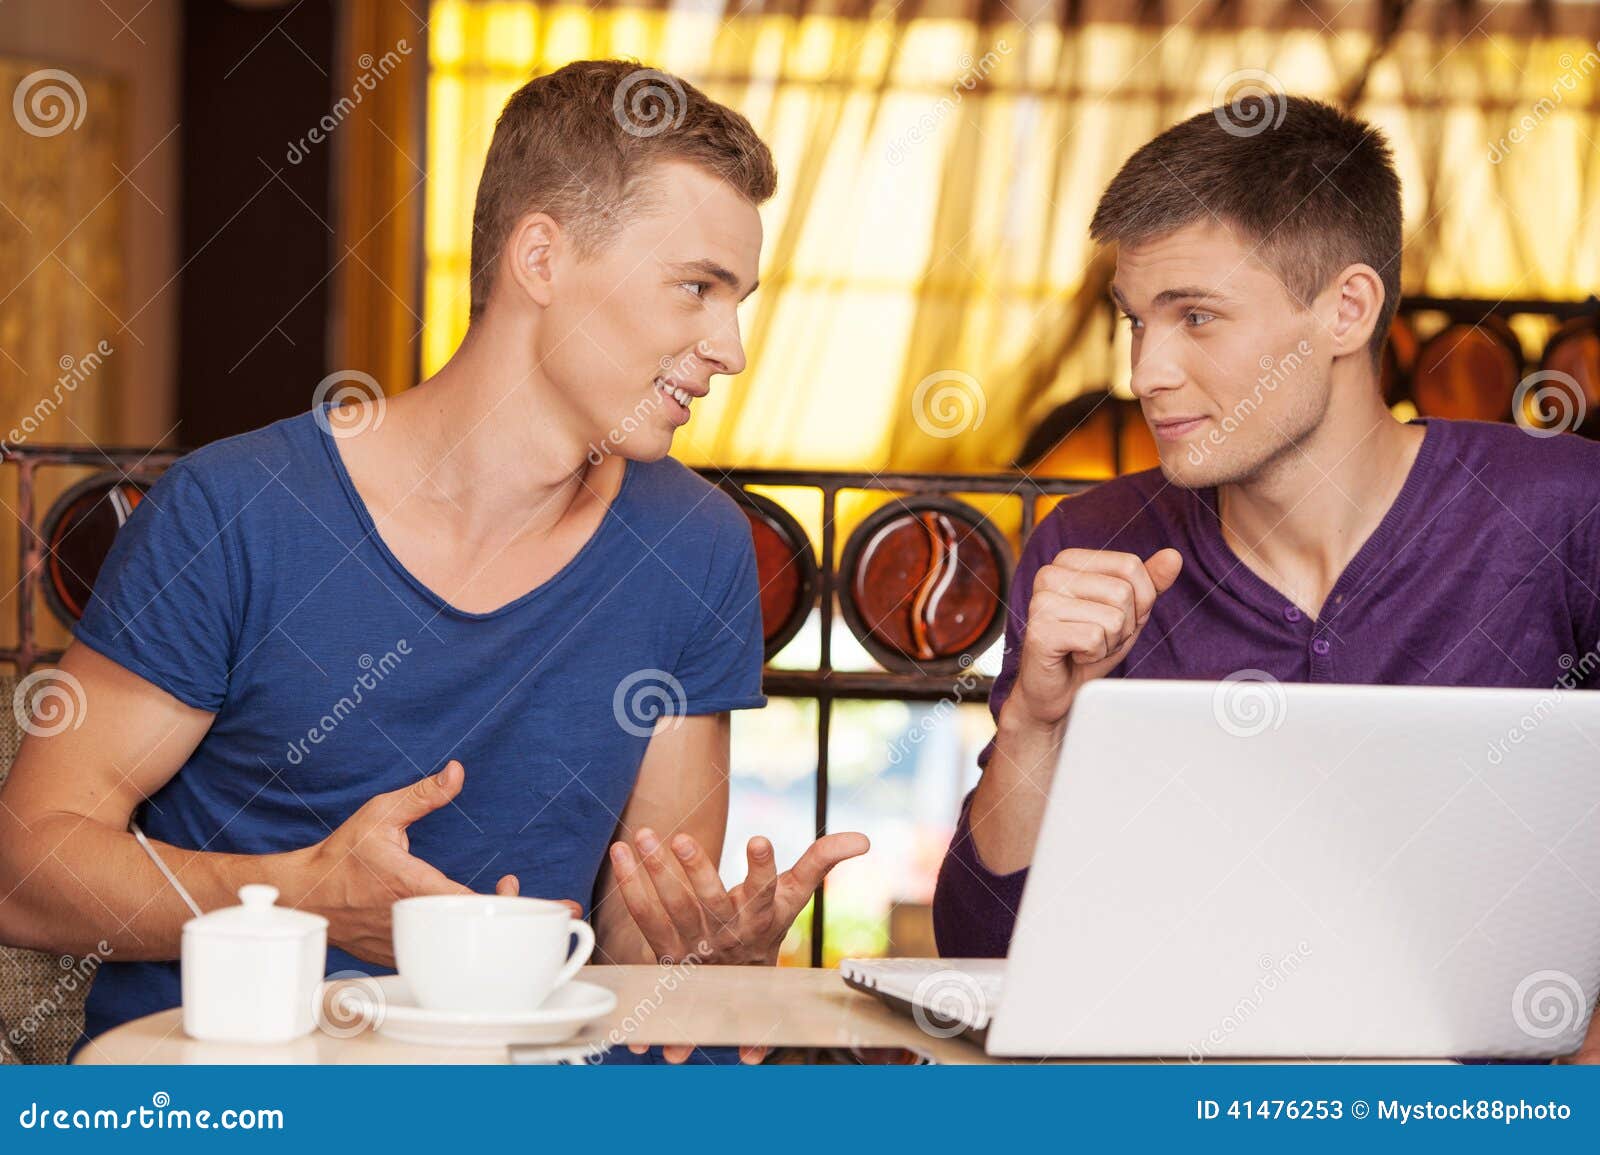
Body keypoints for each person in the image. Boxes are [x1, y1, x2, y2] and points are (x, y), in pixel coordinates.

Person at [0, 59, 866, 1063]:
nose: (730, 348)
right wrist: (305, 897)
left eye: (738, 299)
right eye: (696, 289)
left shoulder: (696, 546)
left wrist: (700, 956)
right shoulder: (236, 511)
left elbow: (637, 941)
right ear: (539, 258)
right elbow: (26, 866)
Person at [931, 95, 1600, 1060]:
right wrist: (1034, 727)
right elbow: (983, 953)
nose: (1147, 371)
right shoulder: (1094, 543)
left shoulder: (1563, 512)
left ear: (1347, 308)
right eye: (1135, 321)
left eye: (1195, 316)